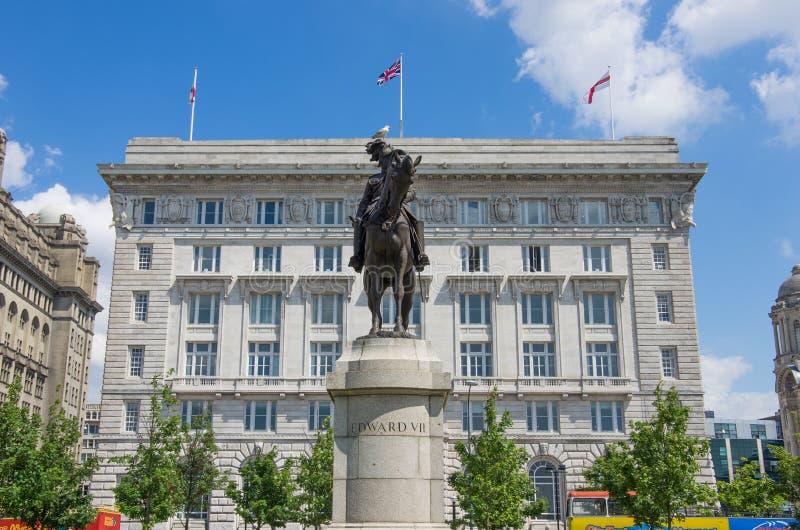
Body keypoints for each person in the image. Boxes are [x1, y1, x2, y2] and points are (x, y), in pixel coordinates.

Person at [348, 138, 429, 273]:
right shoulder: (373, 179)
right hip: (374, 206)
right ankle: (358, 256)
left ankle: (420, 254)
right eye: (384, 160)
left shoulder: (400, 175)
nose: (386, 162)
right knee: (361, 225)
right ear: (381, 162)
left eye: (388, 159)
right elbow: (364, 201)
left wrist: (402, 196)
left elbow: (412, 193)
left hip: (399, 203)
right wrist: (359, 216)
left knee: (414, 221)